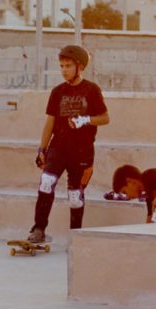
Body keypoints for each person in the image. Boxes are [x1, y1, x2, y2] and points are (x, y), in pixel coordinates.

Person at [25, 44, 110, 243]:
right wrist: (42, 148)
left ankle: (75, 234)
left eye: (68, 66)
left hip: (82, 151)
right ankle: (39, 228)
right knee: (46, 183)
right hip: (59, 147)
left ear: (80, 67)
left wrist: (86, 120)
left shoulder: (91, 90)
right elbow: (50, 122)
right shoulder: (57, 92)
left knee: (75, 195)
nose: (64, 70)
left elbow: (105, 118)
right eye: (61, 66)